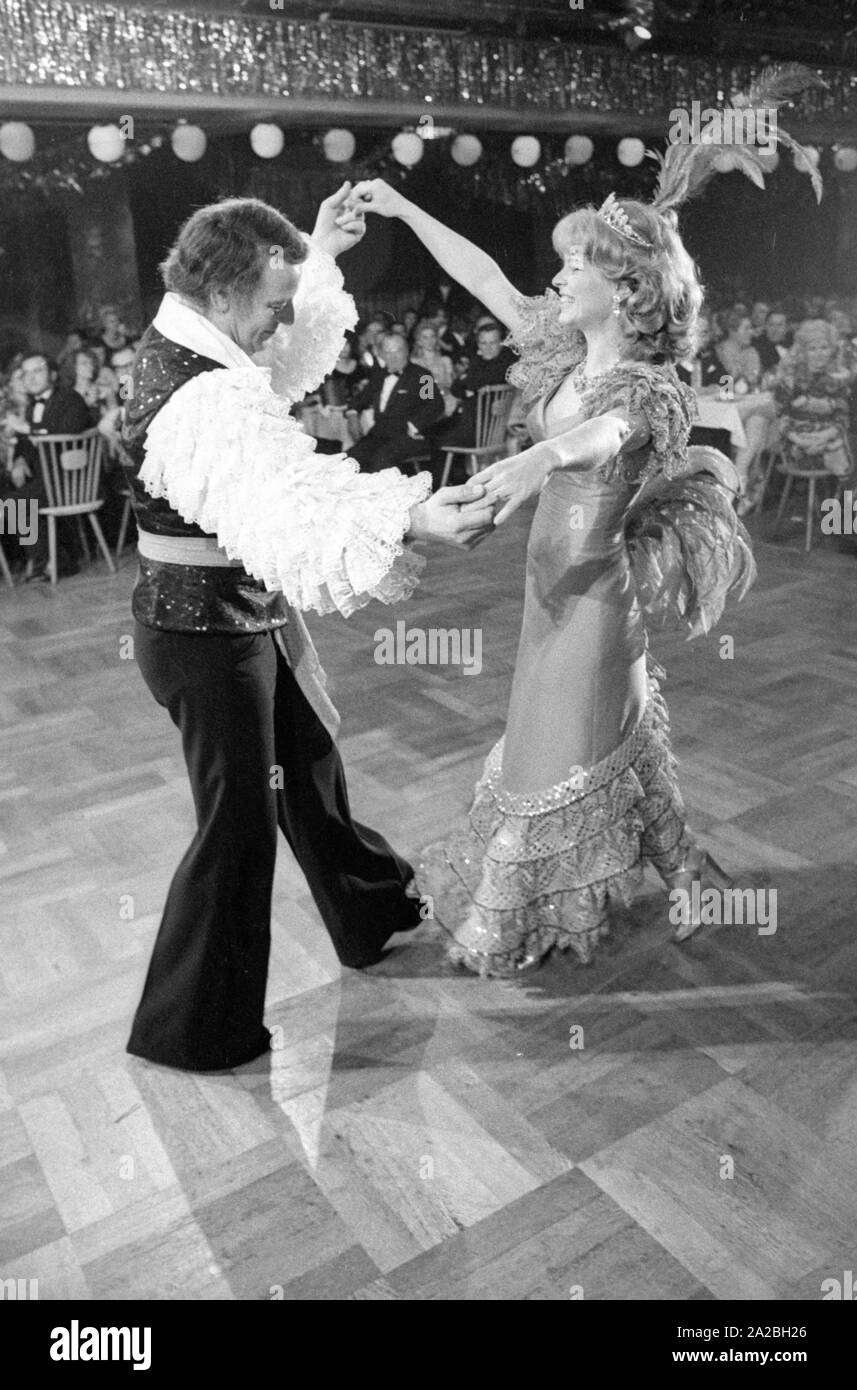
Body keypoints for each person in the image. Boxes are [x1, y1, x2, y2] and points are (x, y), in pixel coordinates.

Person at [349, 65, 821, 974]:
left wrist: (537, 455)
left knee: (554, 749)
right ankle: (694, 875)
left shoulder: (647, 385)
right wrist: (405, 213)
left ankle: (515, 913)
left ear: (628, 290)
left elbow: (604, 437)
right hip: (543, 578)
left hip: (598, 593)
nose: (559, 274)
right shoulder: (563, 344)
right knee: (603, 743)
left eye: (575, 265)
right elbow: (482, 273)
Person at [121, 187, 493, 1070]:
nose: (279, 324)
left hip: (235, 613)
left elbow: (278, 355)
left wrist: (318, 248)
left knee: (309, 764)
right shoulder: (198, 397)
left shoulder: (201, 337)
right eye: (270, 305)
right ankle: (191, 1029)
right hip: (201, 636)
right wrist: (414, 516)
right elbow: (290, 499)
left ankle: (370, 913)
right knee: (239, 821)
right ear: (220, 295)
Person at [2, 354, 93, 580]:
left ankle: (53, 562)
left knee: (15, 503)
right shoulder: (34, 406)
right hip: (47, 482)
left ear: (53, 374)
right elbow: (26, 444)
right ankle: (48, 560)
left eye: (38, 371)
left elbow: (70, 430)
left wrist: (27, 429)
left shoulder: (70, 399)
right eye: (26, 373)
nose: (31, 378)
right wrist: (21, 460)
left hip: (72, 482)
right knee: (11, 499)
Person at [345, 331, 445, 472]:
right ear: (381, 354)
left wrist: (413, 426)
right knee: (348, 462)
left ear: (406, 351)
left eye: (397, 351)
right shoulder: (379, 376)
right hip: (379, 435)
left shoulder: (422, 375)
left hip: (408, 437)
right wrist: (352, 414)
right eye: (388, 352)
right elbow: (361, 398)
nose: (393, 357)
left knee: (380, 462)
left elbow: (435, 405)